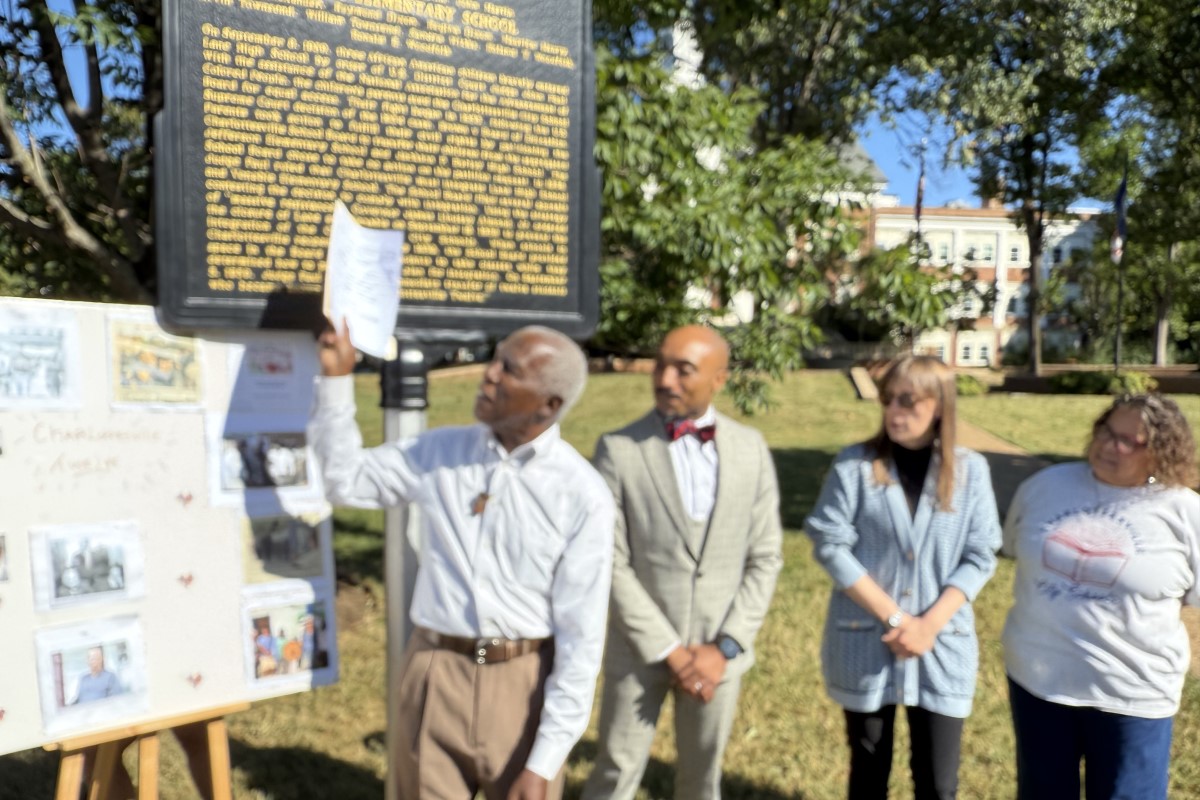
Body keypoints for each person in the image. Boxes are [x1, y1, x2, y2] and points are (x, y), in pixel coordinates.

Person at [310, 322, 614, 800]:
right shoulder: (442, 452)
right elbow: (344, 481)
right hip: (435, 672)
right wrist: (335, 382)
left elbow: (582, 636)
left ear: (549, 404)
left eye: (508, 370)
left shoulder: (581, 494)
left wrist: (546, 760)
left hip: (523, 684)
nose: (487, 375)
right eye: (493, 359)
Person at [582, 325, 783, 800]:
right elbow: (608, 559)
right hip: (640, 649)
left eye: (684, 369)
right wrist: (669, 650)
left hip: (719, 654)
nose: (665, 379)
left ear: (718, 378)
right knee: (615, 768)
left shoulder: (749, 448)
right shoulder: (619, 448)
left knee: (702, 779)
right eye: (661, 364)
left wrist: (725, 647)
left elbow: (766, 556)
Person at [804, 355, 1000, 800]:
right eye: (889, 399)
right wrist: (895, 619)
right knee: (869, 773)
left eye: (909, 401)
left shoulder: (971, 472)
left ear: (941, 406)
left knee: (938, 782)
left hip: (942, 645)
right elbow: (830, 543)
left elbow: (981, 553)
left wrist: (927, 625)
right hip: (865, 642)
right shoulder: (854, 465)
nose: (895, 411)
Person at [1002, 393, 1200, 800]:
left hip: (1133, 694)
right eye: (1108, 432)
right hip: (1039, 682)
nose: (1112, 445)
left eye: (1131, 441)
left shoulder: (1184, 512)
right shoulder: (1044, 486)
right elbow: (1011, 545)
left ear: (1161, 452)